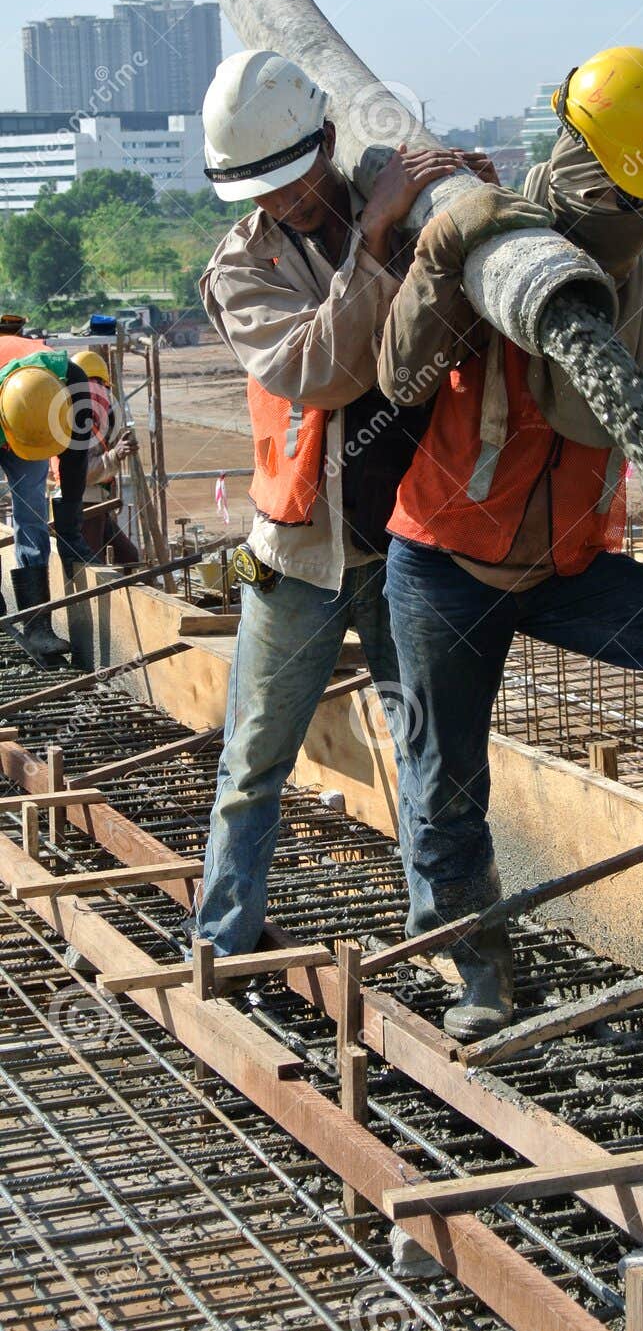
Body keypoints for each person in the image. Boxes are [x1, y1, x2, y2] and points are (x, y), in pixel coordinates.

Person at [375, 46, 643, 1040]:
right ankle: (476, 967)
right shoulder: (490, 253)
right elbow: (398, 377)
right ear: (577, 158)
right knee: (447, 776)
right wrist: (443, 253)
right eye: (627, 192)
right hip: (447, 561)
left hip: (566, 568)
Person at [192, 48, 461, 961]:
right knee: (253, 758)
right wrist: (378, 241)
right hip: (301, 551)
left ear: (330, 142)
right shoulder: (241, 269)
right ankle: (224, 943)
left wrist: (445, 206)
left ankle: (446, 940)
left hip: (413, 543)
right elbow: (324, 369)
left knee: (428, 753)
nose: (287, 204)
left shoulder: (399, 196)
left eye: (297, 181)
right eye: (264, 192)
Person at [0, 325, 94, 667]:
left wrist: (70, 524)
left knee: (32, 513)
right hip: (8, 409)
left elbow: (76, 456)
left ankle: (38, 626)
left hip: (29, 414)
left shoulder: (72, 381)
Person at [59, 348, 139, 564]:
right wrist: (115, 455)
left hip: (96, 503)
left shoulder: (92, 421)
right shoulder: (69, 425)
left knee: (128, 557)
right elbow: (81, 472)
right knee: (93, 564)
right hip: (81, 505)